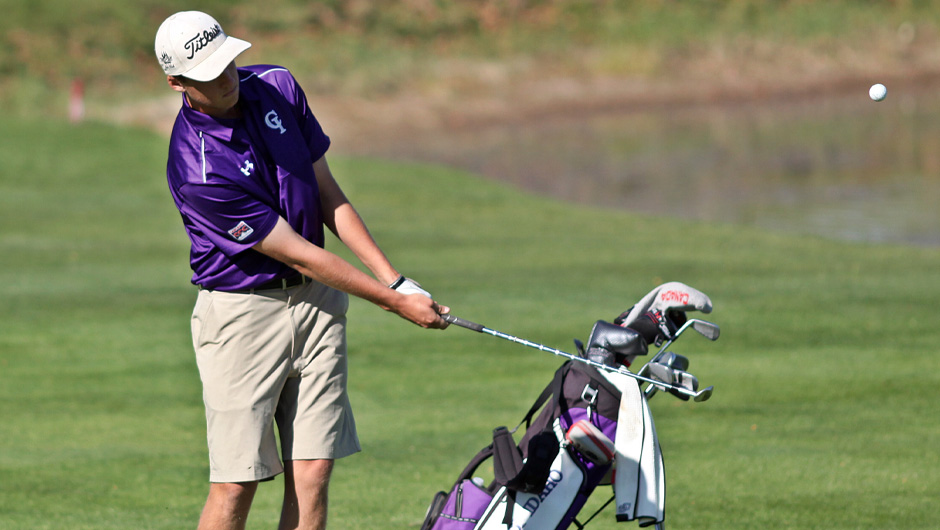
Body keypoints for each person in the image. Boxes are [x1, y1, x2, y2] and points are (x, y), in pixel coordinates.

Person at [154, 11, 449, 530]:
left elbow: (327, 190)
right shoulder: (197, 167)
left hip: (318, 304)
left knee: (313, 471)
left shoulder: (276, 85)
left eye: (228, 63)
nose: (226, 80)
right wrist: (393, 304)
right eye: (208, 75)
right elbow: (297, 252)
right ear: (178, 83)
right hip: (243, 318)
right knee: (236, 482)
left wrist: (396, 280)